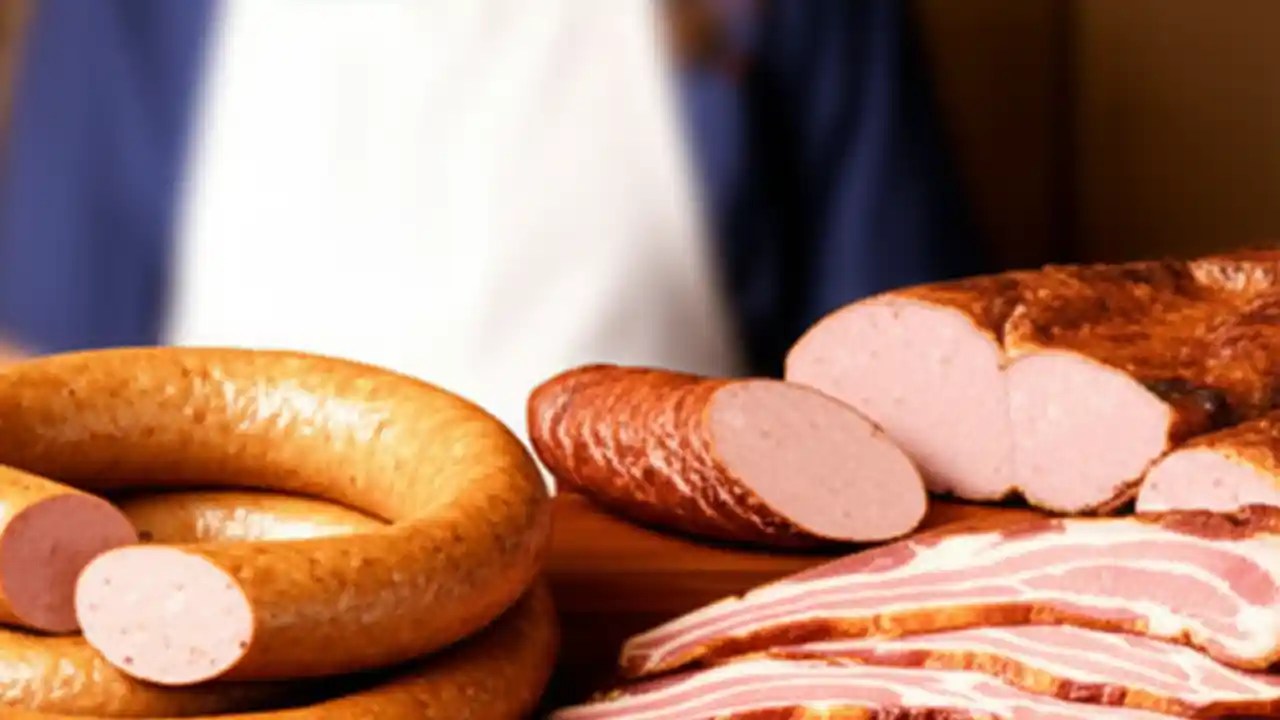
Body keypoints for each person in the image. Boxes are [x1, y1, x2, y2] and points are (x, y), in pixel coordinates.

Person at [0, 0, 982, 436]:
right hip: (246, 667)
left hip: (665, 662)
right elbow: (42, 391)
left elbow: (910, 399)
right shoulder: (126, 13)